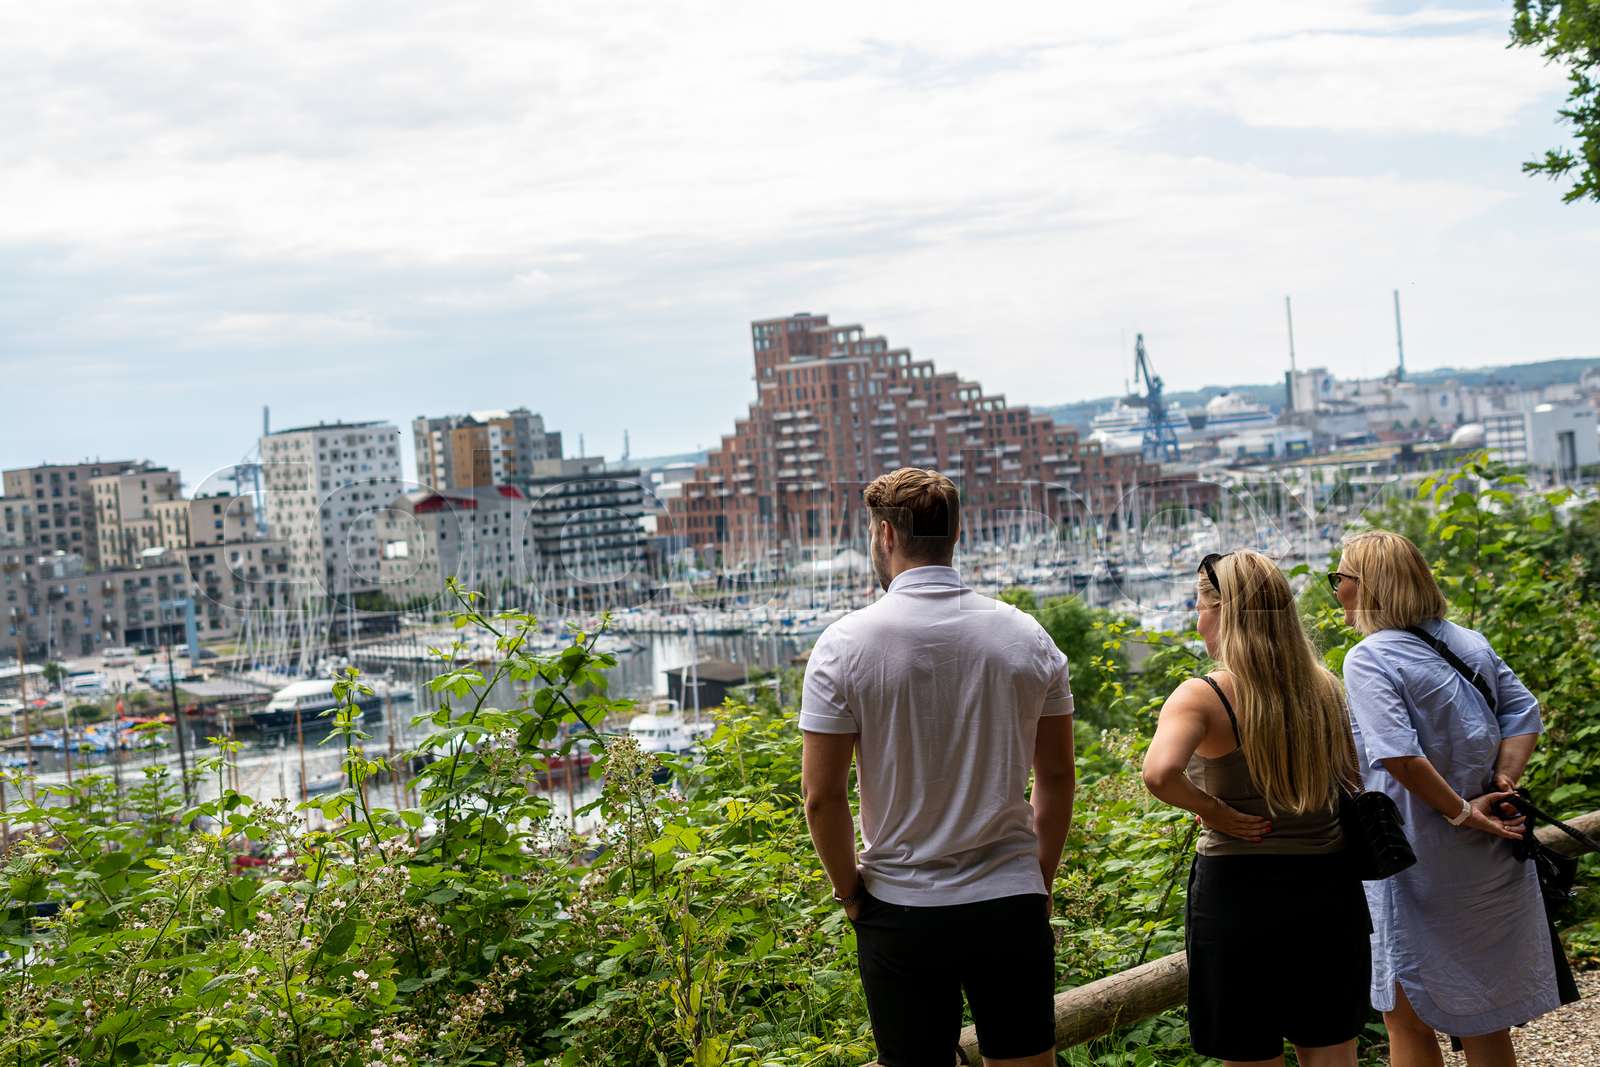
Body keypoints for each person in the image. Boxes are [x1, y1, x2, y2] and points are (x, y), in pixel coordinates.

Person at [800, 467, 1075, 1067]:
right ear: (957, 534)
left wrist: (849, 892)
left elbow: (822, 797)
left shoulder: (844, 645)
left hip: (900, 905)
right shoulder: (1026, 637)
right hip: (1008, 897)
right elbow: (1055, 777)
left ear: (885, 536)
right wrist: (1038, 880)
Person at [1334, 530, 1556, 1067]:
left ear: (1368, 585)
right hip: (1488, 855)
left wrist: (1461, 813)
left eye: (1339, 578)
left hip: (1415, 856)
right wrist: (1502, 783)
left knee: (1406, 1014)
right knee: (1483, 1010)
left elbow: (1399, 757)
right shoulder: (1468, 641)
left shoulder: (1370, 658)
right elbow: (1523, 713)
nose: (1335, 590)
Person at [1142, 550, 1371, 1067]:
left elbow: (1158, 774)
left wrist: (1216, 812)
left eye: (1199, 605)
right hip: (1327, 887)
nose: (1196, 617)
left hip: (1238, 891)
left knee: (1247, 1052)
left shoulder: (1202, 697)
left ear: (1222, 611)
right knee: (1332, 1048)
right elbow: (1351, 778)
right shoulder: (1325, 688)